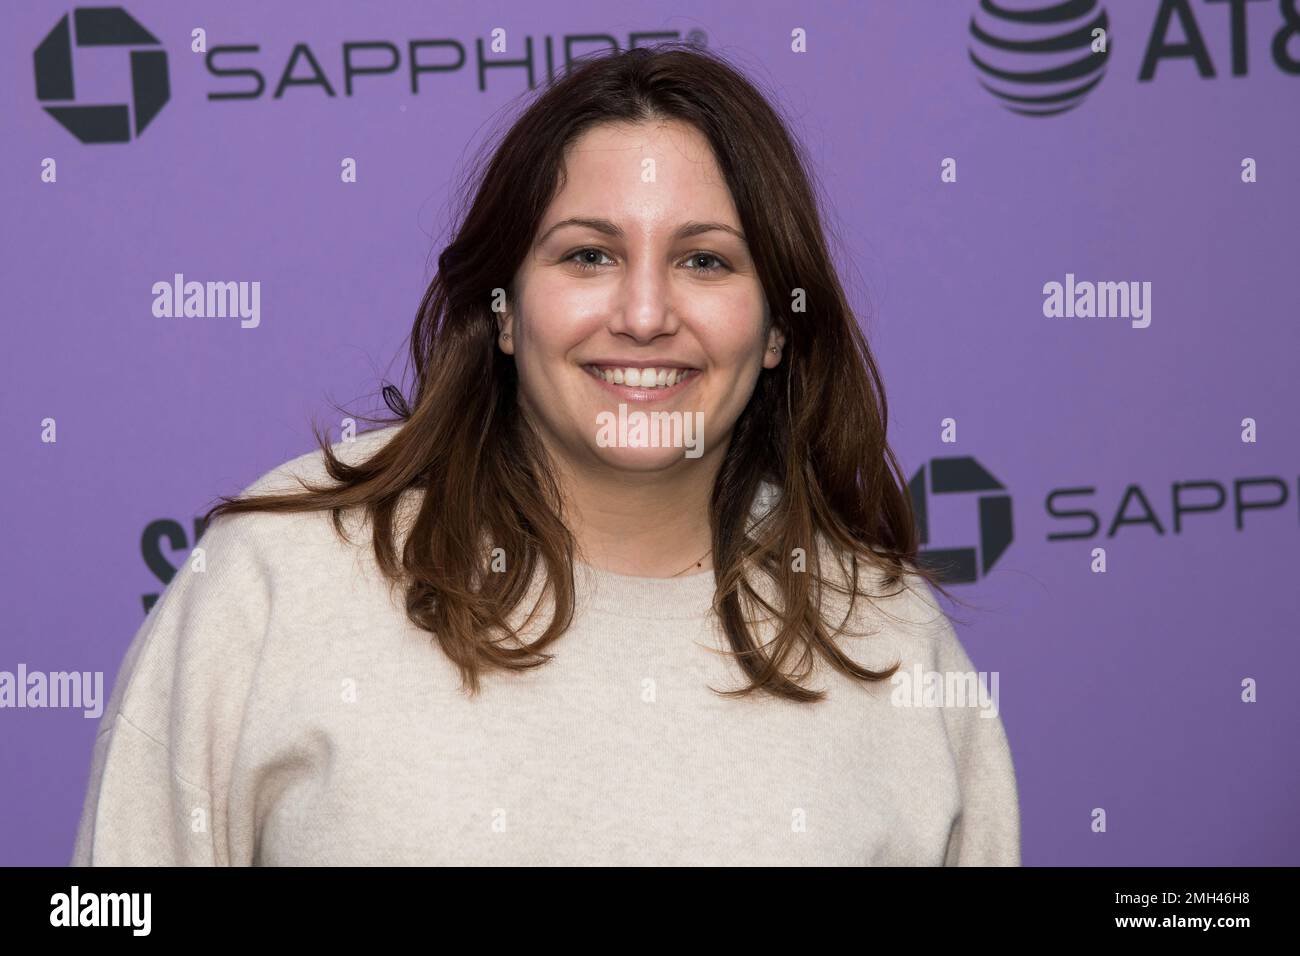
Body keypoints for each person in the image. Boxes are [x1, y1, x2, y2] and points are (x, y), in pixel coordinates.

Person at [71, 42, 1019, 866]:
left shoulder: (894, 646)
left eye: (706, 261)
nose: (645, 316)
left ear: (777, 327)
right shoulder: (276, 580)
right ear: (505, 311)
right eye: (587, 256)